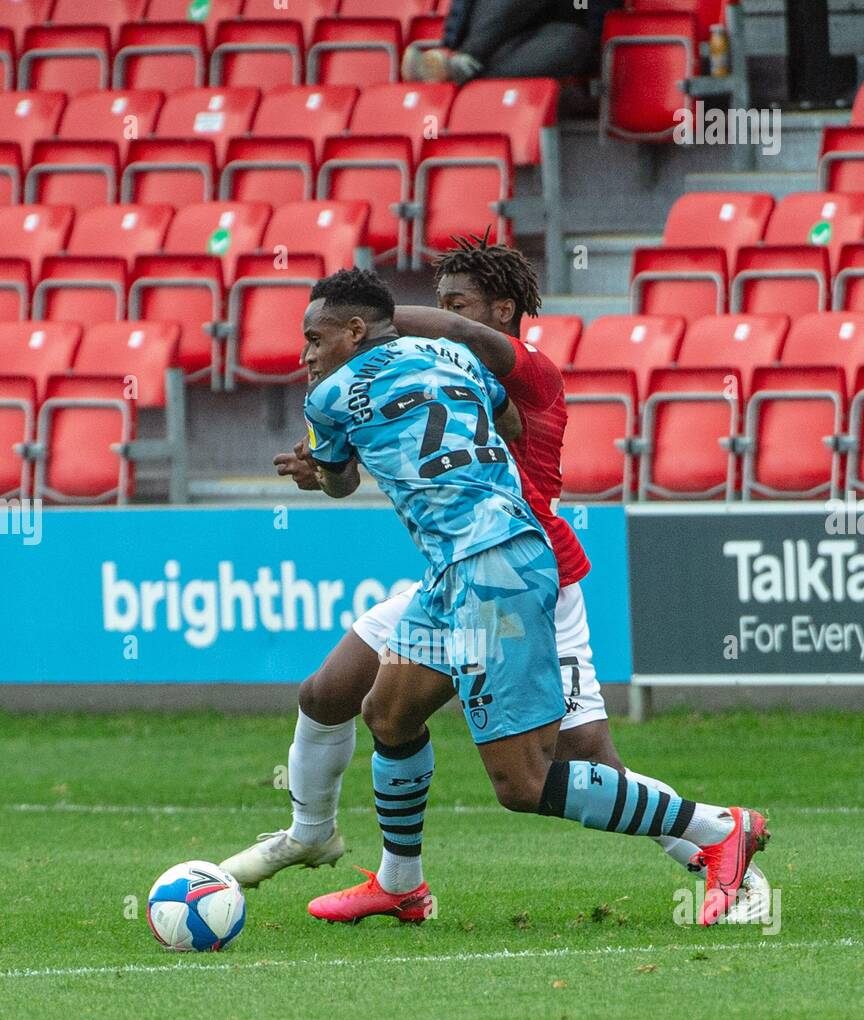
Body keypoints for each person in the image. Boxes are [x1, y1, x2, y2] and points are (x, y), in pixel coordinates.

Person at [221, 240, 770, 925]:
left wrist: (380, 348)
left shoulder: (485, 369)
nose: (304, 353)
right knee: (381, 710)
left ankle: (718, 834)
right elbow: (488, 410)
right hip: (458, 567)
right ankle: (397, 881)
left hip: (509, 570)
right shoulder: (457, 366)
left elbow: (346, 467)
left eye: (314, 337)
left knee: (538, 777)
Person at [402, 0, 620, 85]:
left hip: (552, 34)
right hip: (491, 34)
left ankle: (459, 70)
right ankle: (465, 60)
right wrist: (453, 43)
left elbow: (597, 19)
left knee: (574, 42)